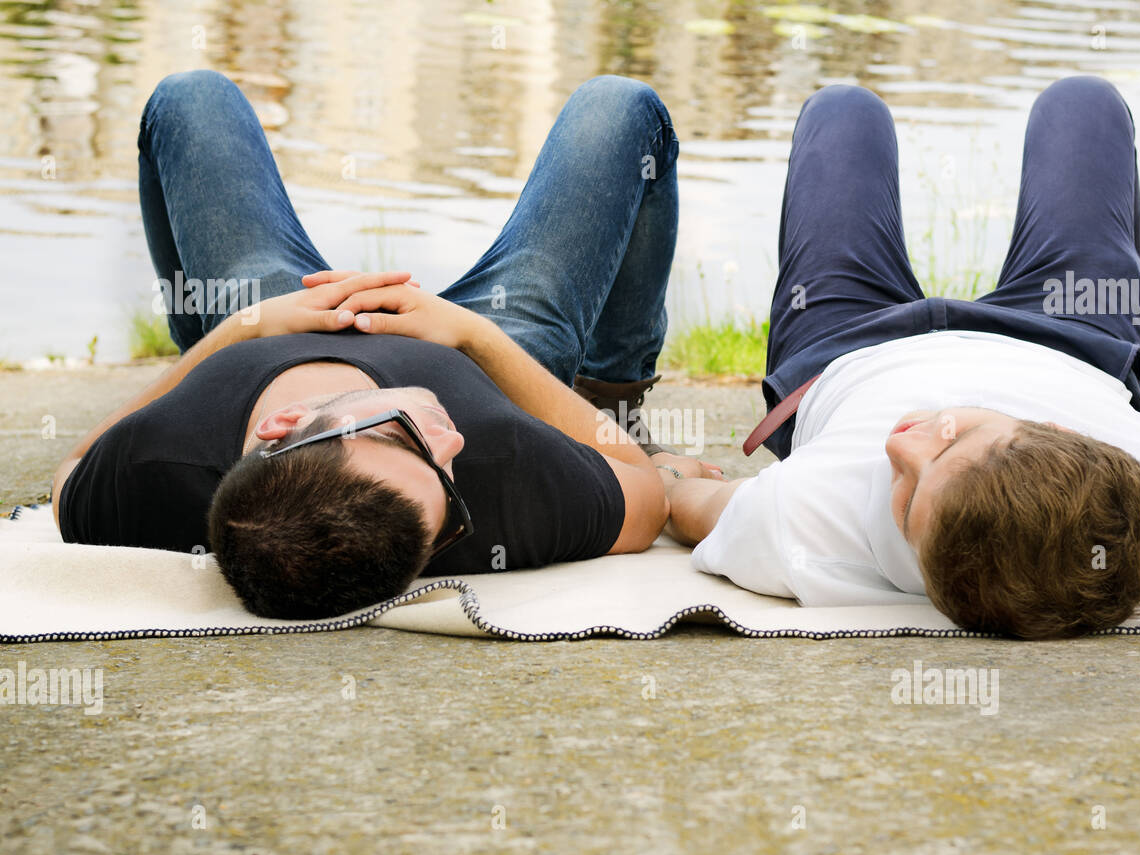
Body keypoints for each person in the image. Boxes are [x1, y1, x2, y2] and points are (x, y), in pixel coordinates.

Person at [53, 70, 720, 620]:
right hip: (484, 352)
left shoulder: (158, 468)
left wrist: (242, 328)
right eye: (447, 482)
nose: (451, 441)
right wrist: (472, 334)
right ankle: (612, 394)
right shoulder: (493, 475)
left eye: (401, 437)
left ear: (280, 429)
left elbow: (72, 473)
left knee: (187, 99)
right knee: (622, 109)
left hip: (269, 321)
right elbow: (643, 489)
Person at [666, 76, 1140, 639]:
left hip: (853, 344)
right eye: (950, 438)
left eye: (907, 503)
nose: (899, 447)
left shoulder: (806, 528)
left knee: (843, 111)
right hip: (1066, 338)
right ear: (1055, 430)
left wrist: (670, 474)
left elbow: (691, 508)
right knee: (1082, 104)